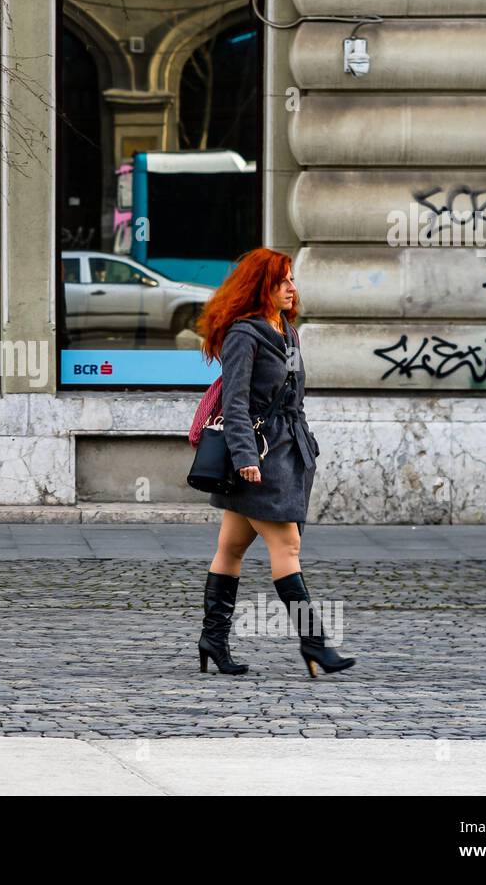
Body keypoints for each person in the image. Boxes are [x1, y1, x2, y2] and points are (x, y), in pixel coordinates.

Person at [193, 247, 355, 678]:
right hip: (260, 459)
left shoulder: (286, 330)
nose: (291, 287)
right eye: (282, 280)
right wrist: (245, 457)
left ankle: (213, 639)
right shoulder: (245, 335)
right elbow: (236, 402)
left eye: (292, 279)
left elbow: (293, 397)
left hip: (290, 452)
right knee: (288, 547)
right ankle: (316, 645)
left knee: (230, 549)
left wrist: (308, 444)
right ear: (261, 285)